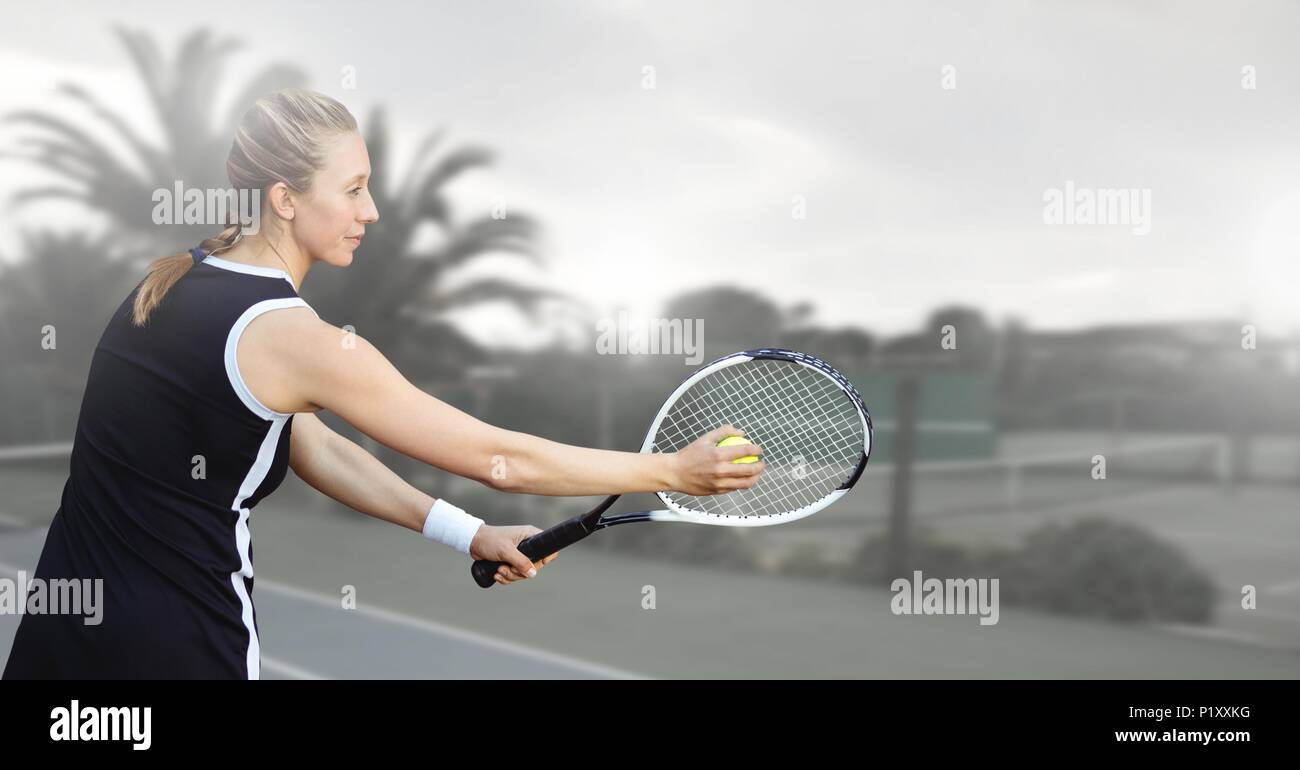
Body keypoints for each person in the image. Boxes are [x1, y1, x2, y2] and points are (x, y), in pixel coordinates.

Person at [1, 88, 764, 680]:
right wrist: (670, 471)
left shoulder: (169, 285)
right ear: (286, 198)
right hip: (180, 646)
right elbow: (501, 459)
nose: (370, 210)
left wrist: (469, 533)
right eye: (354, 188)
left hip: (60, 641)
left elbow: (309, 445)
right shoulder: (300, 341)